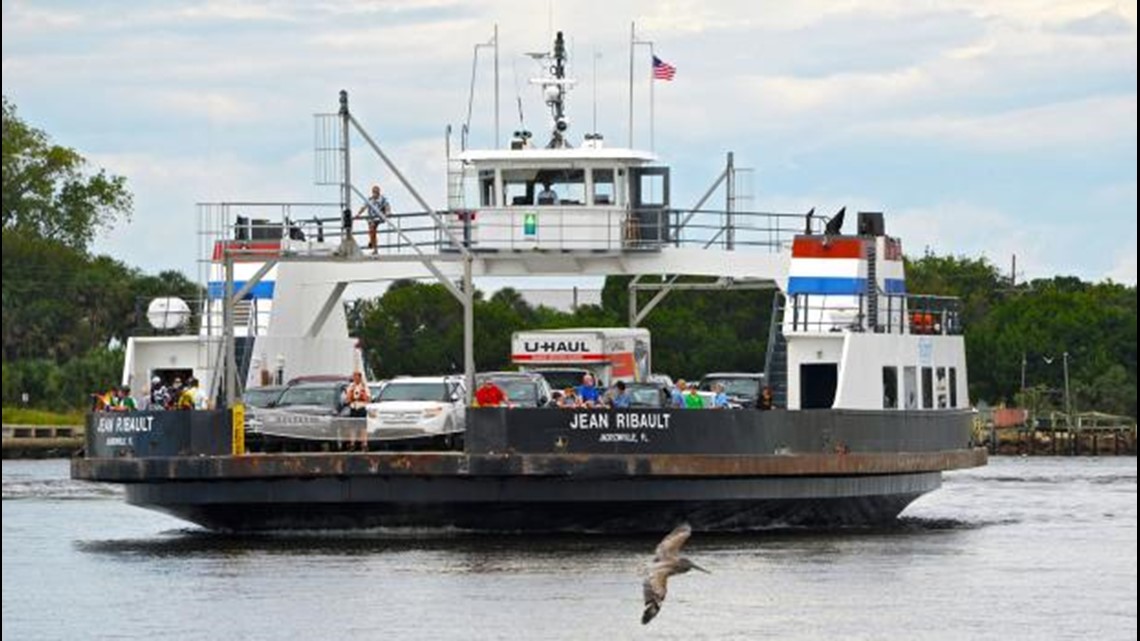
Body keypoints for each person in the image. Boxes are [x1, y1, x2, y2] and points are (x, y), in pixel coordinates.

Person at [356, 184, 391, 254]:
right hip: (370, 218)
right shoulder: (369, 199)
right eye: (374, 192)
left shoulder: (383, 199)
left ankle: (374, 247)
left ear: (379, 192)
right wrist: (358, 214)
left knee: (372, 229)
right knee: (371, 231)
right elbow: (364, 207)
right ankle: (372, 242)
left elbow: (387, 206)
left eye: (377, 192)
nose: (375, 193)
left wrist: (388, 213)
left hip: (379, 217)